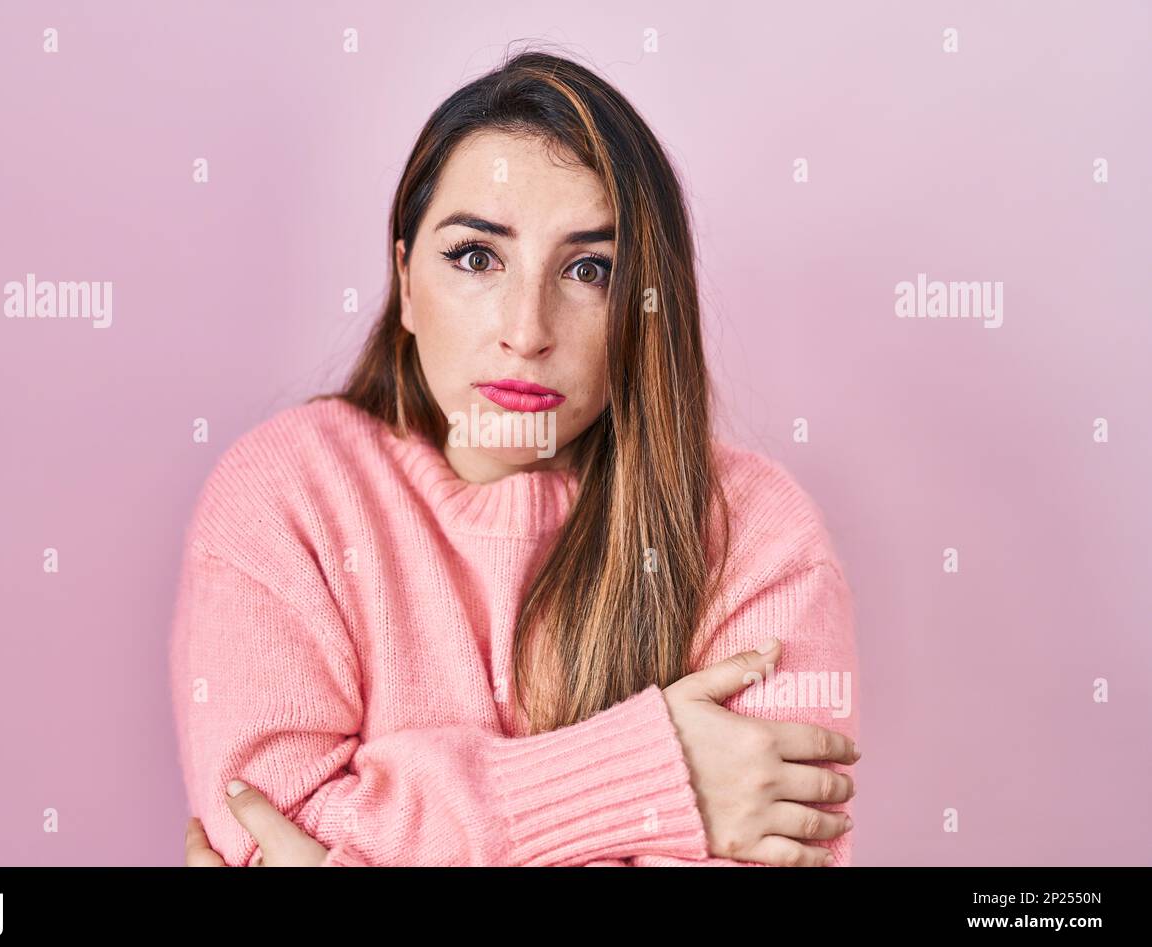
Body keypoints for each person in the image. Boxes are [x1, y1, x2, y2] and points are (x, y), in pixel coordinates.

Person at [170, 47, 860, 868]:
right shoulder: (286, 493)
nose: (527, 330)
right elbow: (265, 831)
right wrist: (645, 778)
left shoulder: (754, 535)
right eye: (475, 257)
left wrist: (380, 840)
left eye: (589, 269)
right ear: (405, 279)